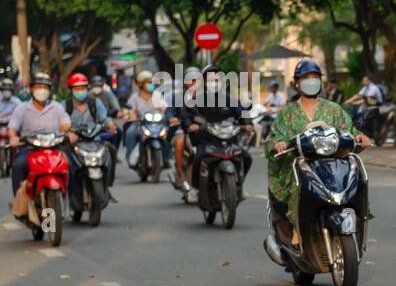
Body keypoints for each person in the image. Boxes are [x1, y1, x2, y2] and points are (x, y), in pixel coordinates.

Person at [266, 59, 371, 246]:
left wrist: (360, 137)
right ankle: (297, 227)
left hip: (331, 165)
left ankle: (354, 218)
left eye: (315, 77)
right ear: (296, 83)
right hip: (301, 165)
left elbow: (349, 131)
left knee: (354, 175)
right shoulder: (288, 113)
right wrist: (278, 144)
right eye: (306, 77)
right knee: (295, 186)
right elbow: (274, 138)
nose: (311, 81)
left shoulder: (333, 109)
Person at [180, 64, 253, 203]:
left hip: (229, 140)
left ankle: (239, 186)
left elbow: (242, 112)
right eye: (210, 79)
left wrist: (248, 123)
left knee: (247, 157)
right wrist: (190, 125)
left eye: (217, 79)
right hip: (206, 140)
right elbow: (186, 115)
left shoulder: (229, 99)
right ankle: (195, 189)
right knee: (198, 158)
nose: (214, 82)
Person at [7, 72, 75, 197]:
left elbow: (66, 124)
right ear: (32, 89)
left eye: (44, 87)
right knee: (18, 165)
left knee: (71, 164)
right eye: (38, 87)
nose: (41, 90)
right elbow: (12, 127)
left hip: (55, 148)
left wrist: (69, 132)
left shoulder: (57, 107)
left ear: (49, 90)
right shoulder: (22, 108)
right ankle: (20, 199)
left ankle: (71, 199)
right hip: (30, 149)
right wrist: (13, 137)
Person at [66, 73, 118, 195]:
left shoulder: (95, 103)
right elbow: (59, 123)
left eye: (83, 88)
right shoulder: (65, 105)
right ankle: (69, 191)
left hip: (94, 140)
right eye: (77, 89)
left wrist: (110, 125)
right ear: (71, 90)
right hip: (74, 143)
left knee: (111, 151)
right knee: (66, 162)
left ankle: (107, 186)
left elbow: (105, 118)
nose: (80, 91)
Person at [122, 70, 167, 166]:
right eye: (149, 82)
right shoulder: (134, 97)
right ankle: (131, 159)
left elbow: (164, 108)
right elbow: (130, 110)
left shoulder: (157, 95)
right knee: (130, 133)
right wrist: (132, 115)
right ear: (141, 84)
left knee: (167, 133)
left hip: (156, 123)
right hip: (140, 123)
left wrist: (164, 111)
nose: (151, 84)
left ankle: (166, 157)